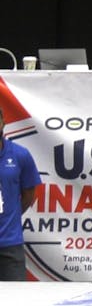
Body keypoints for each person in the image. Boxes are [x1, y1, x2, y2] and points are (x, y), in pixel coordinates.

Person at [1, 105, 43, 281]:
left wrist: (11, 215)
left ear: (3, 122)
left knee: (15, 295)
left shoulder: (20, 155)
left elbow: (29, 194)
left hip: (10, 245)